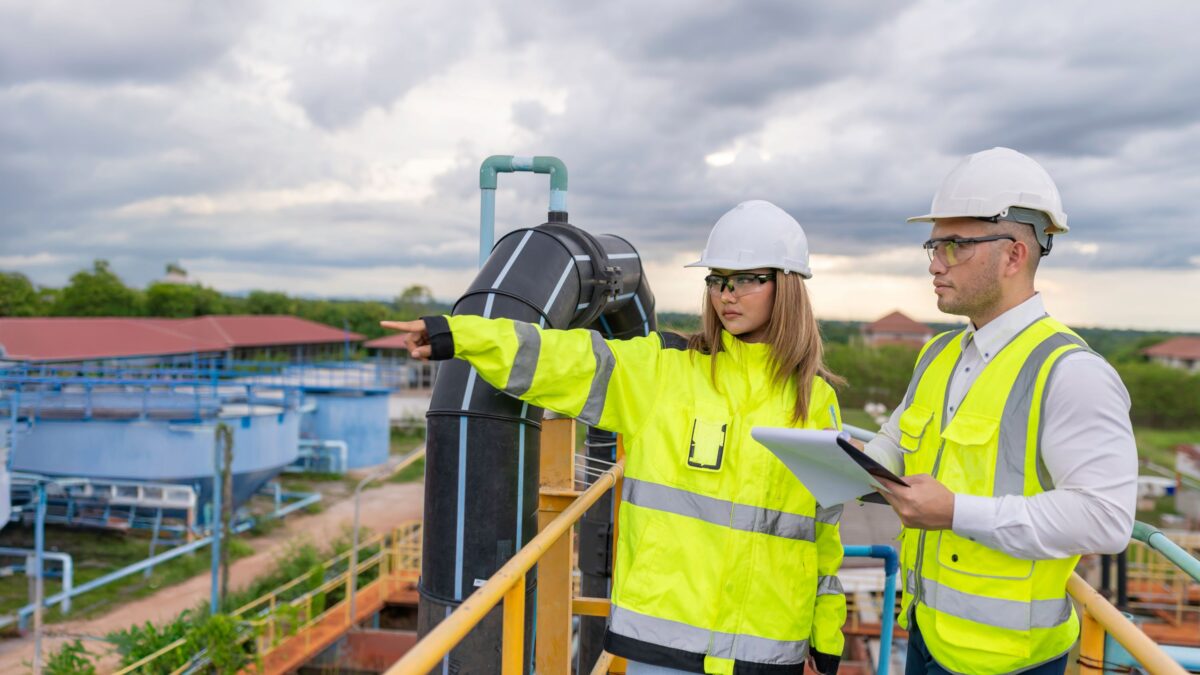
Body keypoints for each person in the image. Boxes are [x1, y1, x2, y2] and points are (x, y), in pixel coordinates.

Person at [385, 200, 846, 674]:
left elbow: (823, 532)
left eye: (745, 279)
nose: (726, 295)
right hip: (665, 650)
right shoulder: (665, 371)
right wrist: (460, 336)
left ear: (787, 285)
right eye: (716, 280)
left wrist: (825, 637)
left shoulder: (817, 402)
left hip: (770, 652)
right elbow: (561, 358)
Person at [864, 148, 1138, 675]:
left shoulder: (1070, 372)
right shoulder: (939, 354)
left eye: (954, 245)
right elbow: (894, 443)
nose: (934, 262)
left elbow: (1106, 519)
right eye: (933, 244)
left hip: (1010, 660)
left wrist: (957, 512)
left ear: (1014, 255)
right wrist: (845, 462)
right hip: (925, 632)